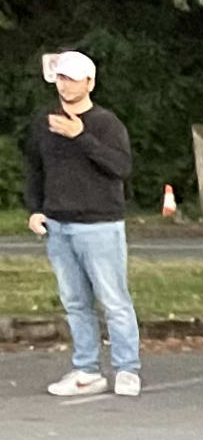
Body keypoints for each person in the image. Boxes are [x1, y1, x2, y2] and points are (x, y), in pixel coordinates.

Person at [23, 48, 140, 399]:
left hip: (100, 224)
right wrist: (35, 208)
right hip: (58, 224)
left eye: (72, 79)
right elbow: (35, 168)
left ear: (89, 82)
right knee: (75, 301)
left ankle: (127, 367)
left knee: (113, 299)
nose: (65, 85)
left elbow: (121, 167)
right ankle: (87, 369)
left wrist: (81, 137)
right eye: (61, 77)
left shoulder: (106, 123)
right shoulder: (44, 122)